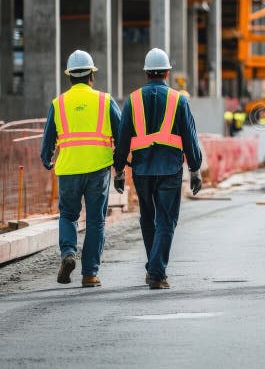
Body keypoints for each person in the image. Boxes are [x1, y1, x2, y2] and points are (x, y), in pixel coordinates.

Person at [113, 48, 203, 290]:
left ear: (146, 73)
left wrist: (119, 169)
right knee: (166, 220)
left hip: (142, 169)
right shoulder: (179, 99)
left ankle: (154, 267)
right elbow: (190, 136)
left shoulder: (132, 100)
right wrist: (195, 168)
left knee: (148, 218)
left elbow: (122, 138)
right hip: (169, 169)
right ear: (167, 72)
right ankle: (156, 271)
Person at [40, 50, 121, 287]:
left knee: (68, 215)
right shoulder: (105, 101)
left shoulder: (59, 103)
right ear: (91, 76)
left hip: (68, 169)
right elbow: (121, 133)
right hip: (98, 168)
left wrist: (46, 159)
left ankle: (68, 253)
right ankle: (90, 274)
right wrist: (120, 165)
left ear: (69, 77)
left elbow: (48, 139)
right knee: (96, 222)